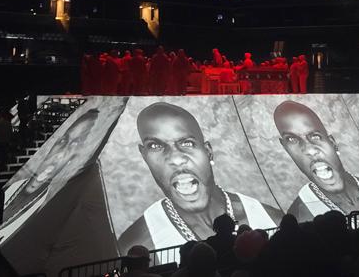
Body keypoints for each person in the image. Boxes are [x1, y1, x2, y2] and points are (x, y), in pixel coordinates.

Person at [118, 103, 281, 251]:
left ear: (208, 152)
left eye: (187, 143)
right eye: (155, 146)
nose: (176, 159)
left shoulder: (269, 218)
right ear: (144, 156)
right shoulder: (136, 245)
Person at [273, 101, 359, 219]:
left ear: (333, 144)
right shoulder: (300, 215)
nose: (310, 150)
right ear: (286, 149)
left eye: (315, 136)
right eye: (292, 140)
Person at [0, 108, 100, 235]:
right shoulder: (10, 184)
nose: (60, 155)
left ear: (75, 157)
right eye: (63, 141)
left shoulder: (48, 210)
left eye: (74, 145)